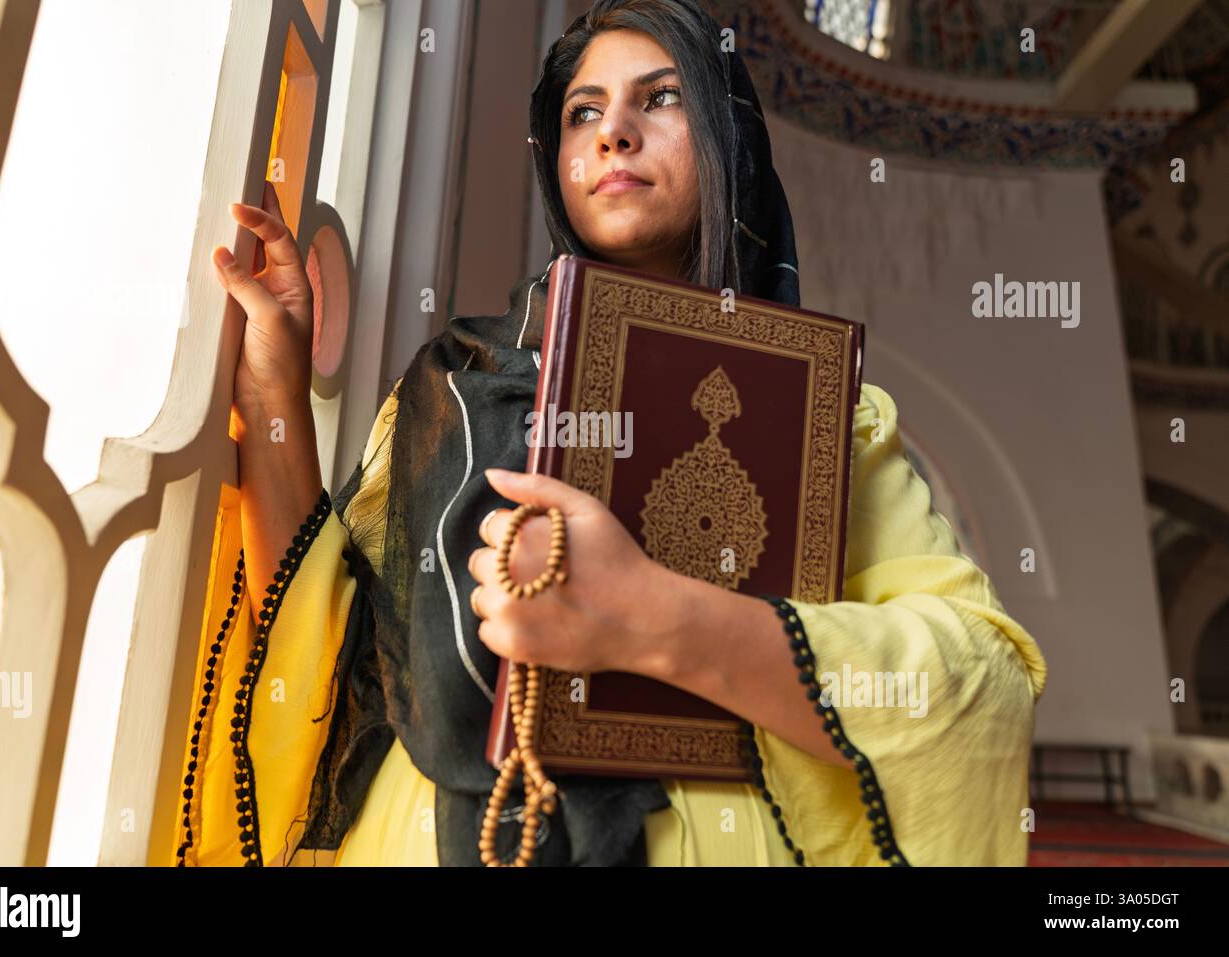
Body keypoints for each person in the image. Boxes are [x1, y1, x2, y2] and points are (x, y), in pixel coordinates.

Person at [177, 0, 1047, 867]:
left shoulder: (825, 421)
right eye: (582, 112)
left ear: (727, 139)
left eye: (661, 99)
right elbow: (332, 641)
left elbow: (979, 680)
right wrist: (272, 390)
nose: (613, 133)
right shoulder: (460, 381)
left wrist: (659, 620)